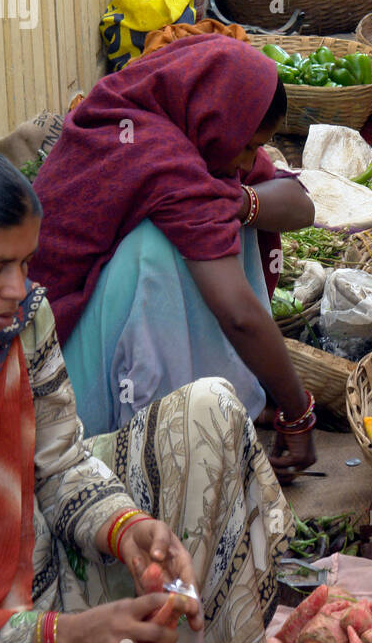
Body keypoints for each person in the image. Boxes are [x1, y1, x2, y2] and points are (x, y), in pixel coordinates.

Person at [0, 152, 293, 643]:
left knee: (207, 410)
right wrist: (61, 639)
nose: (16, 290)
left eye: (25, 264)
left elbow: (60, 462)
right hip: (14, 638)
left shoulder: (22, 320)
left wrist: (126, 527)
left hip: (40, 569)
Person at [30, 39, 319, 479]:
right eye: (248, 147)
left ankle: (209, 409)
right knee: (165, 242)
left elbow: (301, 206)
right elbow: (238, 314)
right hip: (57, 381)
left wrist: (239, 200)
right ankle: (159, 450)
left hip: (81, 335)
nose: (248, 160)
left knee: (225, 212)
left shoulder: (175, 114)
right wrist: (298, 413)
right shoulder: (156, 156)